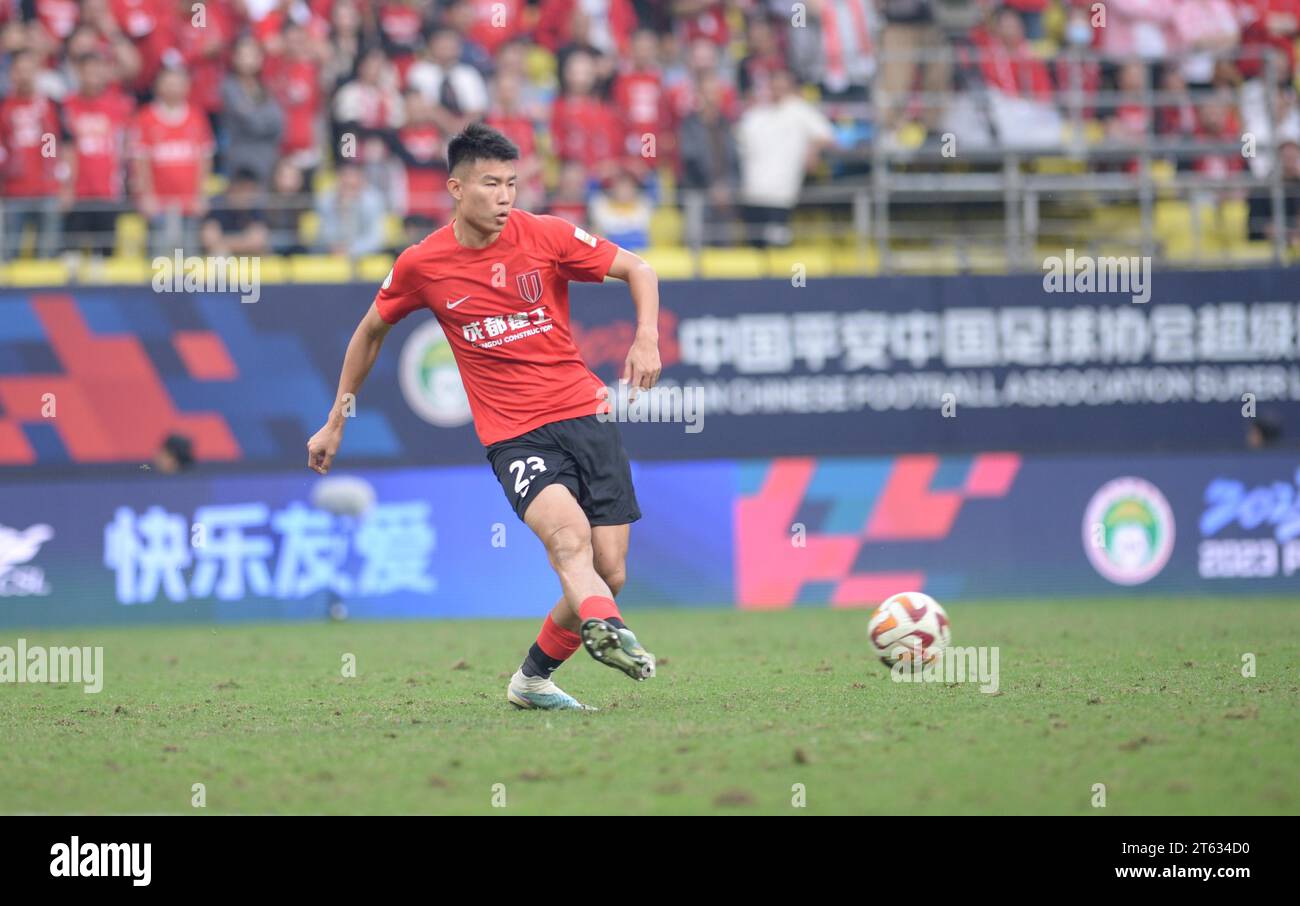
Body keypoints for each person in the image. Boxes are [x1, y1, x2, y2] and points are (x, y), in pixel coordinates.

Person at [307, 123, 661, 711]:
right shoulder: (423, 264)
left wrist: (646, 337)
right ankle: (611, 632)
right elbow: (369, 332)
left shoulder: (546, 234)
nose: (504, 197)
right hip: (515, 435)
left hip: (585, 413)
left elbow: (639, 269)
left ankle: (533, 679)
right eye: (490, 184)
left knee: (610, 571)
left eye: (512, 184)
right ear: (455, 188)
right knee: (569, 542)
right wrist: (336, 420)